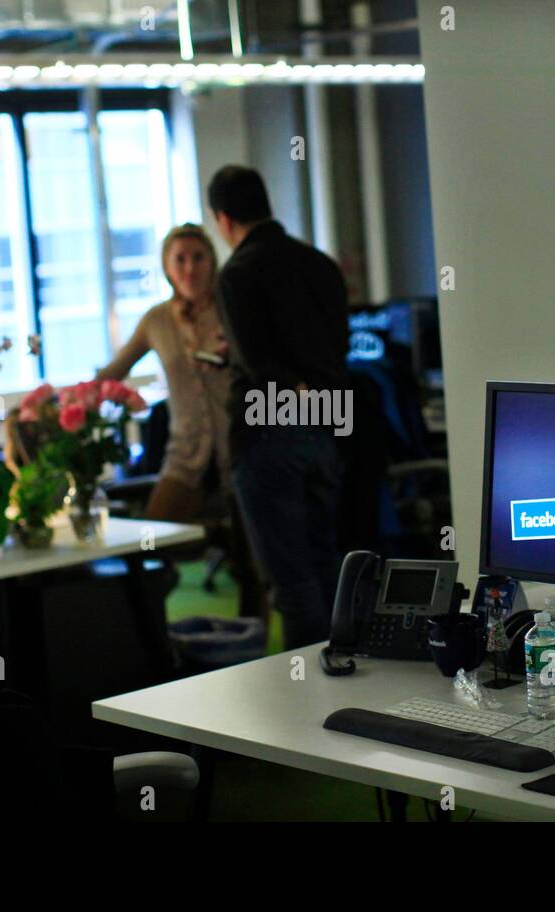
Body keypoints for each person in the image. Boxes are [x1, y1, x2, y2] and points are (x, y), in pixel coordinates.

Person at [207, 165, 350, 650]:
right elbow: (333, 349)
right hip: (328, 425)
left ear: (223, 219)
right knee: (325, 565)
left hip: (268, 433)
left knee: (290, 583)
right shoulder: (320, 264)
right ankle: (342, 673)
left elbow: (259, 363)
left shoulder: (237, 274)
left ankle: (305, 698)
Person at [96, 224, 233, 523]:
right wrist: (67, 400)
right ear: (167, 268)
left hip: (239, 449)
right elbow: (113, 372)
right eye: (180, 260)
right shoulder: (156, 320)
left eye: (198, 258)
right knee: (153, 538)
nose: (190, 269)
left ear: (211, 262)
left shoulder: (231, 311)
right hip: (184, 455)